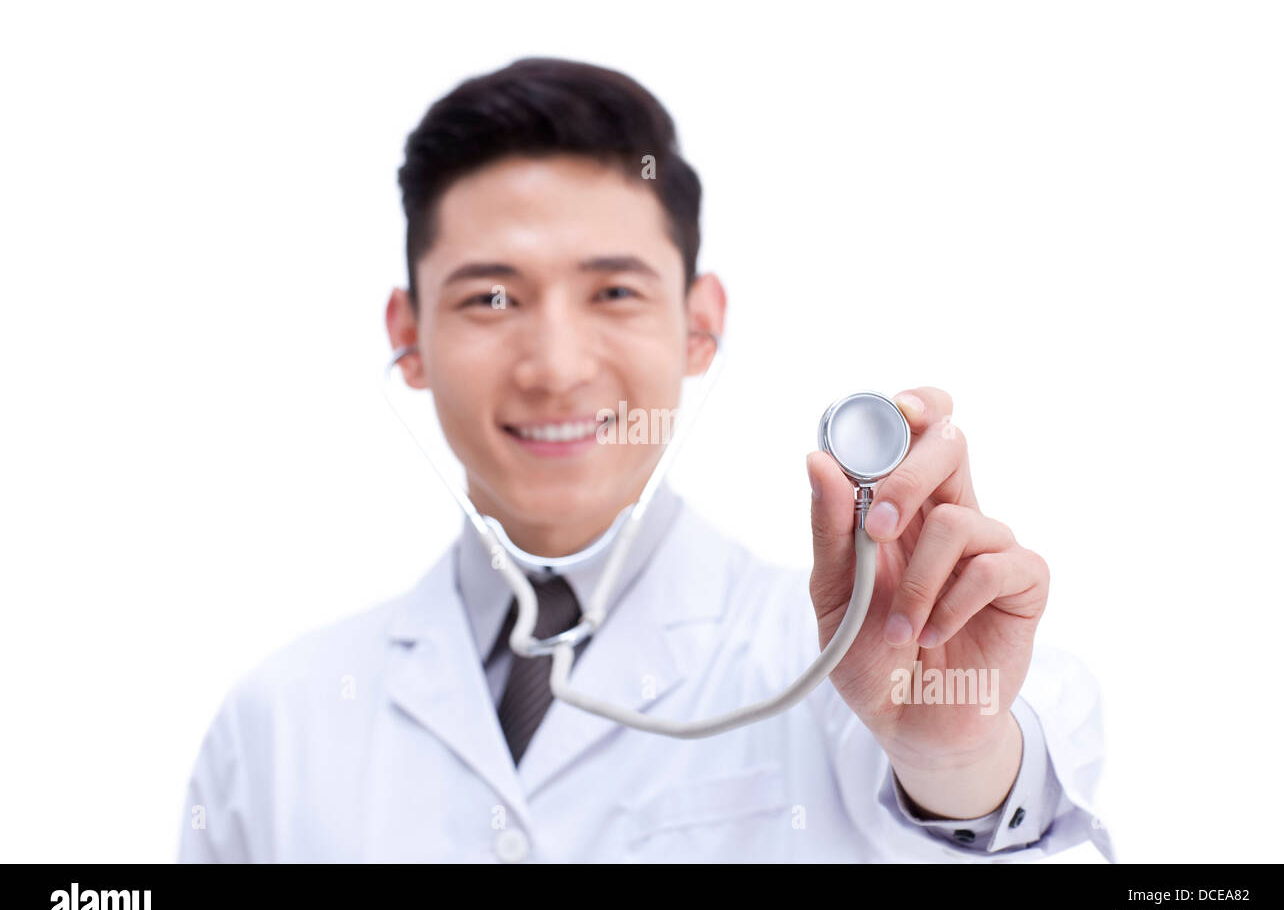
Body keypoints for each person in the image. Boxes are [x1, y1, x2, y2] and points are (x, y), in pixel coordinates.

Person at [178, 56, 1115, 863]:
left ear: (699, 324)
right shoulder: (278, 721)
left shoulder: (838, 662)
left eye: (615, 291)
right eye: (491, 299)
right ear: (408, 337)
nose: (554, 368)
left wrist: (952, 760)